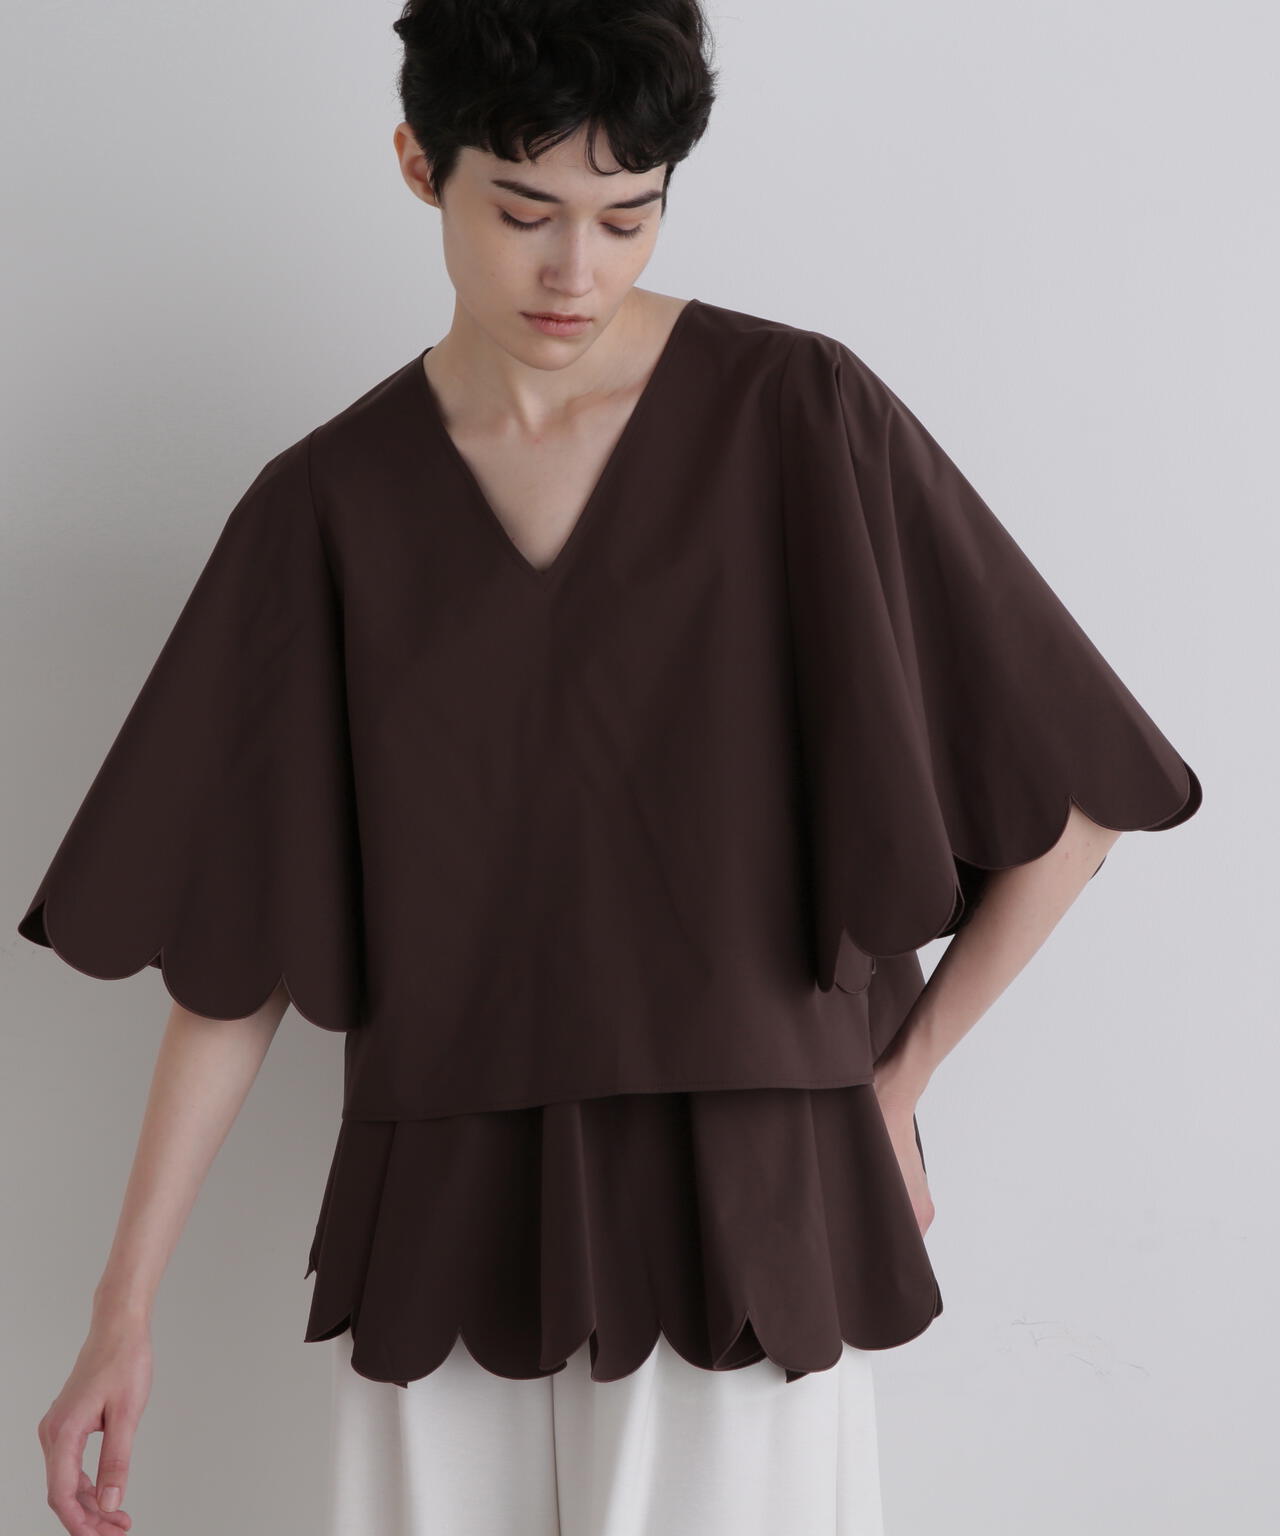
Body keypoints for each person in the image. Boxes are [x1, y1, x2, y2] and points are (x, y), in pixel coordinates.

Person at [26, 2, 1202, 1533]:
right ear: (418, 165)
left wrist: (896, 1088)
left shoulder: (801, 416)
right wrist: (121, 1309)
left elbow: (1079, 801)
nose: (576, 271)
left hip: (749, 1223)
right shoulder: (326, 505)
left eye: (627, 216)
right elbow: (236, 949)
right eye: (524, 214)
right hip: (439, 1239)